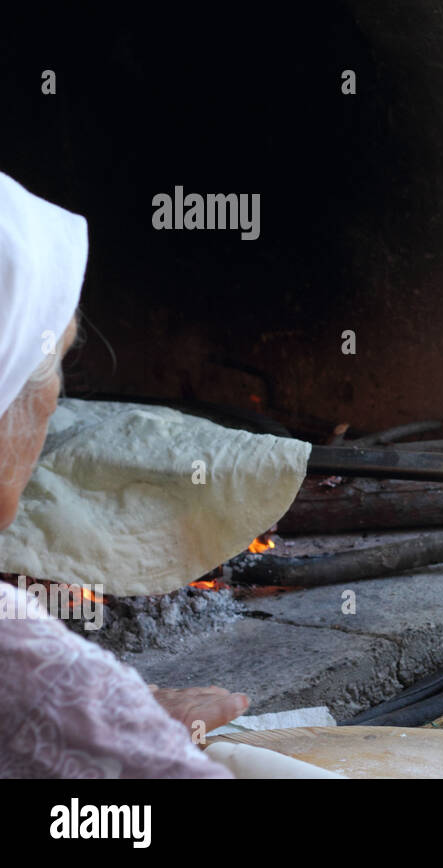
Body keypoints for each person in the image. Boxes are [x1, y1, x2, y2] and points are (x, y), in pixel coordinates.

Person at [0, 170, 241, 777]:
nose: (57, 399)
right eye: (51, 363)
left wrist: (117, 713)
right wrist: (107, 718)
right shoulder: (28, 666)